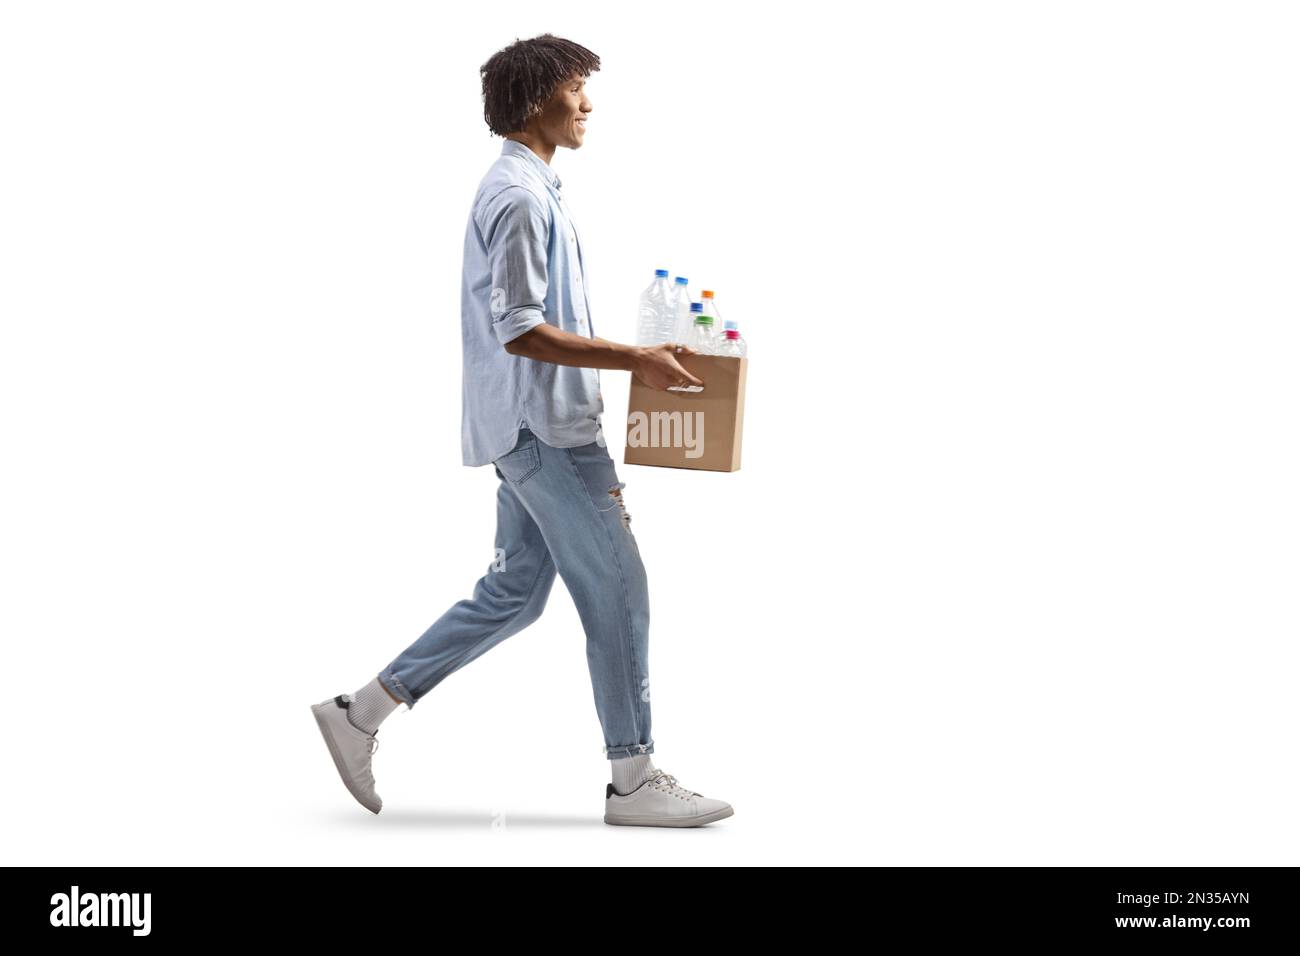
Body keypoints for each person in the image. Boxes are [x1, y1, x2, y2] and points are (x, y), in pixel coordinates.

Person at [311, 33, 733, 828]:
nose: (588, 104)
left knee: (512, 594)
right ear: (539, 95)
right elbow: (519, 327)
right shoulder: (518, 195)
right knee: (618, 587)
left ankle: (358, 712)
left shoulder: (532, 187)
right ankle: (633, 779)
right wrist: (635, 358)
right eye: (577, 88)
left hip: (532, 428)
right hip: (547, 433)